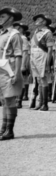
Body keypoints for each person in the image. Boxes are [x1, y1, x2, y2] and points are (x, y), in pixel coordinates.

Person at [0, 8, 24, 140]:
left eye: (3, 16)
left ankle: (9, 130)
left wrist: (16, 73)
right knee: (4, 100)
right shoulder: (1, 33)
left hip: (9, 70)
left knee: (9, 100)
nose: (0, 18)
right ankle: (3, 128)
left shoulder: (14, 35)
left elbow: (18, 55)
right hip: (0, 70)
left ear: (11, 18)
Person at [28, 15, 54, 111]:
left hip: (42, 56)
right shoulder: (36, 32)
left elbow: (50, 49)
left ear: (44, 22)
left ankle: (45, 104)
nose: (36, 21)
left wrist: (48, 63)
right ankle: (40, 102)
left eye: (39, 19)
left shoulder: (48, 33)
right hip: (34, 57)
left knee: (43, 79)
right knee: (38, 80)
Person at [13, 23, 30, 109]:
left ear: (20, 29)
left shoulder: (23, 38)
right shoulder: (15, 37)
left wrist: (23, 65)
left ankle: (19, 100)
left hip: (20, 62)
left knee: (21, 81)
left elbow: (25, 52)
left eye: (16, 27)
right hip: (14, 61)